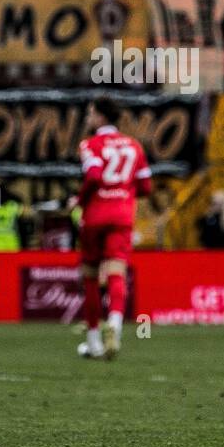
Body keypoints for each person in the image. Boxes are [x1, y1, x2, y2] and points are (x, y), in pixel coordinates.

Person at [73, 98, 151, 361]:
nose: (87, 118)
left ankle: (93, 342)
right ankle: (115, 326)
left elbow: (94, 175)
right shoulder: (134, 145)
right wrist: (124, 192)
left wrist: (79, 200)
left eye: (90, 113)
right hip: (122, 214)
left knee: (91, 277)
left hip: (95, 215)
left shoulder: (89, 145)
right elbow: (146, 187)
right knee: (117, 272)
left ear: (100, 117)